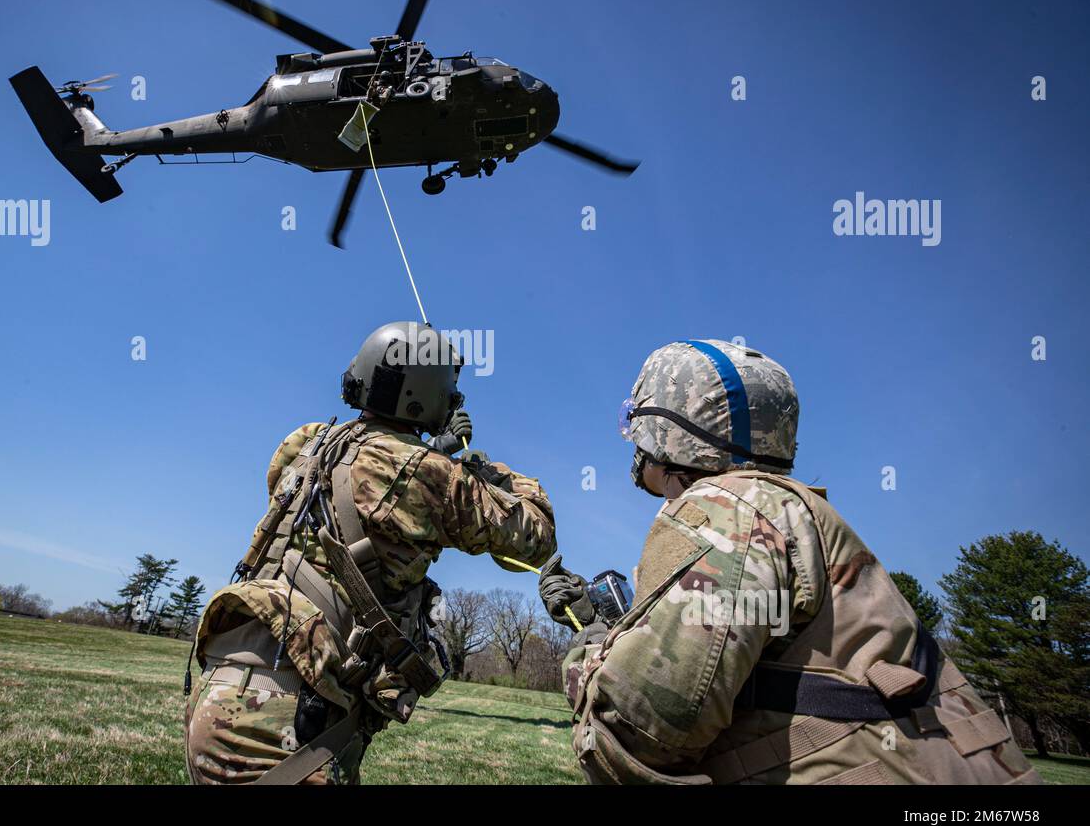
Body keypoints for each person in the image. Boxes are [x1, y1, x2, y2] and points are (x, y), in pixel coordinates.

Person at [540, 339, 1039, 784]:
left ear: (664, 434)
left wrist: (588, 653)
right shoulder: (795, 512)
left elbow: (642, 727)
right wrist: (614, 628)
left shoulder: (726, 511)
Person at [185, 320, 556, 784]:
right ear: (429, 397)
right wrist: (480, 467)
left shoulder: (305, 442)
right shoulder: (437, 477)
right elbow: (536, 537)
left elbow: (357, 475)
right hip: (294, 723)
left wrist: (427, 450)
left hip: (217, 690)